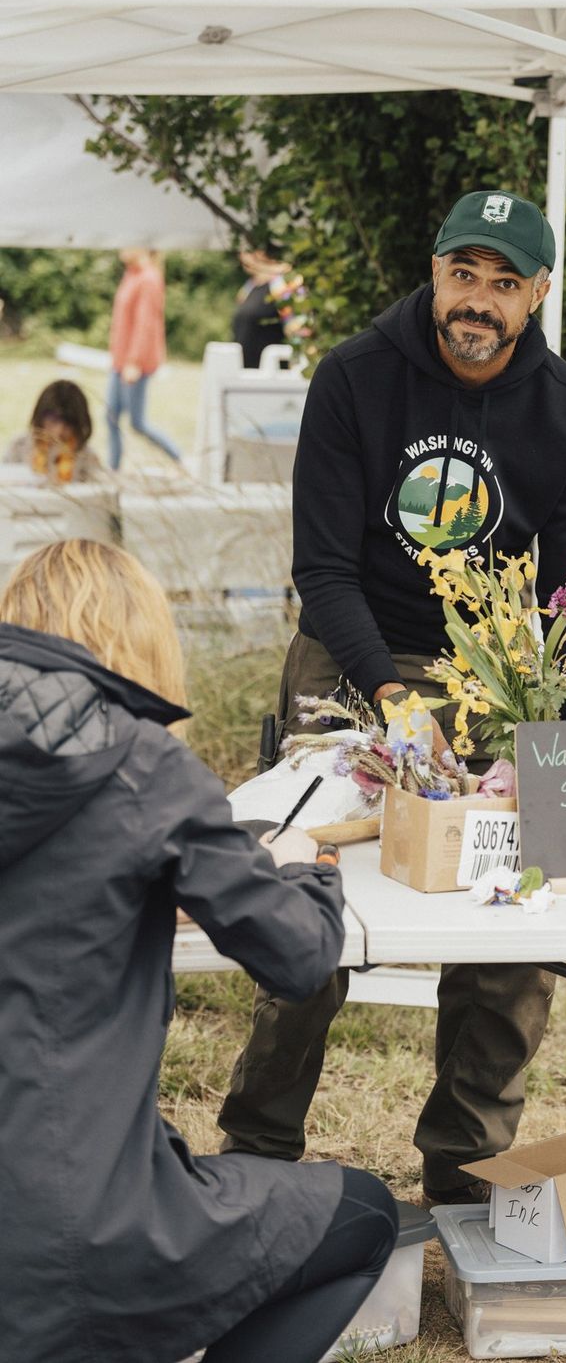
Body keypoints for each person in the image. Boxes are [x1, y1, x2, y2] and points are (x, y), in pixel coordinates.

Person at [218, 188, 566, 1205]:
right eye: (461, 274)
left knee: (512, 913)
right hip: (350, 655)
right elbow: (323, 569)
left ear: (537, 293)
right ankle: (257, 1150)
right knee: (309, 896)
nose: (476, 300)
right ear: (435, 274)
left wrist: (560, 708)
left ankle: (466, 1167)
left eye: (501, 283)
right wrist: (393, 698)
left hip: (494, 672)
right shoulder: (354, 377)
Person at [0, 539, 397, 1363]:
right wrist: (305, 868)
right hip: (79, 1222)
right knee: (365, 1215)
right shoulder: (140, 765)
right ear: (138, 641)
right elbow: (298, 959)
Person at [106, 247, 182, 470]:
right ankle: (113, 469)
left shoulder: (149, 278)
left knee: (137, 423)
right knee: (111, 416)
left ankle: (178, 457)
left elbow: (146, 324)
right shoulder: (131, 274)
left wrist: (134, 362)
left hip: (134, 362)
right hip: (120, 360)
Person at [3, 377, 105, 482]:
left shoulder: (86, 457)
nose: (59, 431)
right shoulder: (19, 447)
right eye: (53, 421)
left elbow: (102, 487)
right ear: (40, 417)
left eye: (68, 424)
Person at [233, 247, 311, 369]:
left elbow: (298, 326)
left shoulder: (282, 284)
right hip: (246, 367)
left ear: (261, 253)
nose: (241, 256)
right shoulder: (249, 286)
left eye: (247, 251)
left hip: (272, 370)